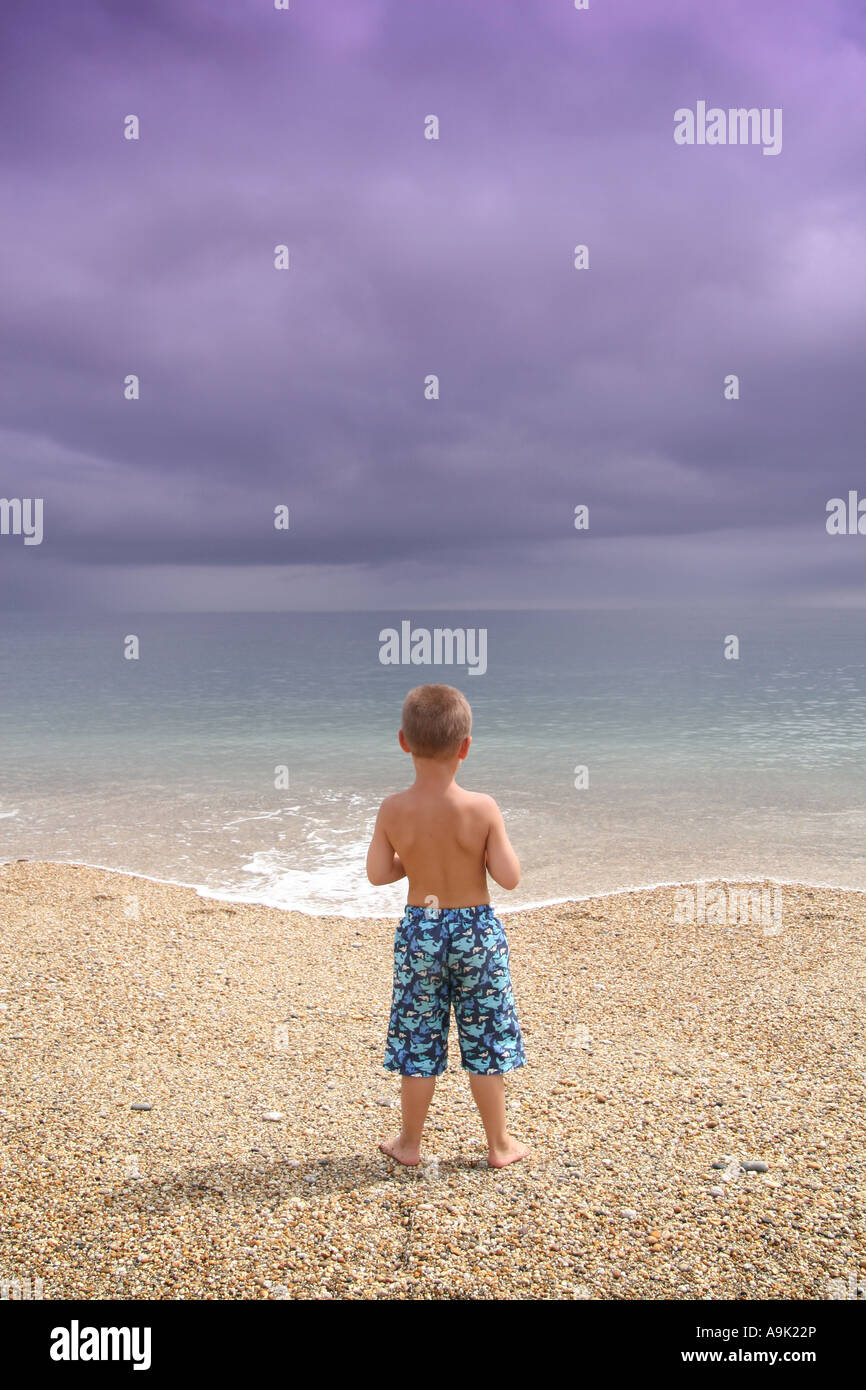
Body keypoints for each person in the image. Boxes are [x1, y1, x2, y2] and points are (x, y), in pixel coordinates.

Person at [366, 683, 527, 1168]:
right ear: (465, 748)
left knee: (418, 1037)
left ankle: (409, 1144)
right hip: (475, 932)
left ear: (403, 741)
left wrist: (415, 862)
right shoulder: (482, 807)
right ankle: (499, 1145)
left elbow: (378, 873)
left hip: (422, 931)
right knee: (485, 1036)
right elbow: (509, 877)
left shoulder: (393, 809)